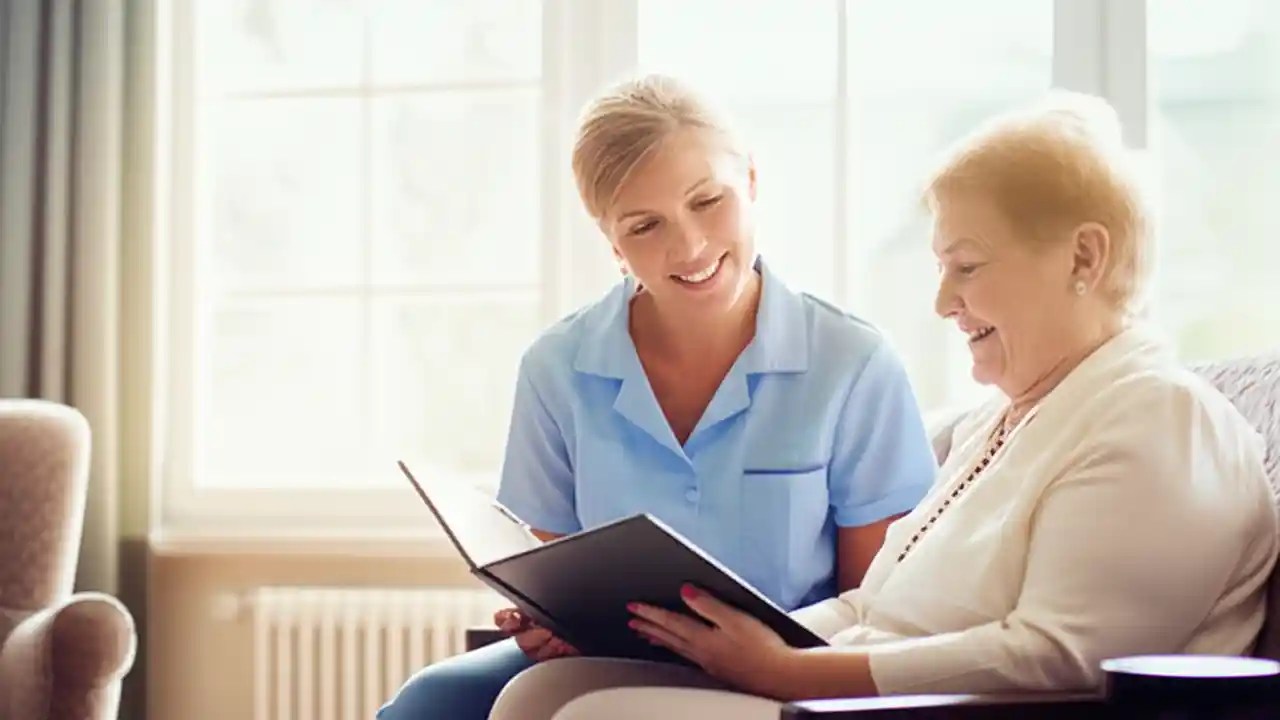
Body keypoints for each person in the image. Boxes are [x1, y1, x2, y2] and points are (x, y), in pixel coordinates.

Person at [486, 91, 1280, 720]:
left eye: (965, 266)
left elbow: (1059, 659)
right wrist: (728, 646)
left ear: (1084, 256)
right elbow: (879, 603)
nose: (942, 302)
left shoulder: (1161, 419)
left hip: (913, 711)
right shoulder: (1007, 423)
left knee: (568, 713)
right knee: (537, 697)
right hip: (852, 691)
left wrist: (792, 670)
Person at [375, 74, 938, 720]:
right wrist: (546, 627)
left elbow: (879, 608)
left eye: (708, 201)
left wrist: (763, 655)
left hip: (784, 673)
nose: (690, 245)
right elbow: (552, 577)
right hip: (606, 661)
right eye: (646, 226)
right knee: (425, 706)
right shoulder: (556, 369)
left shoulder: (854, 366)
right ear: (612, 243)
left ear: (750, 182)